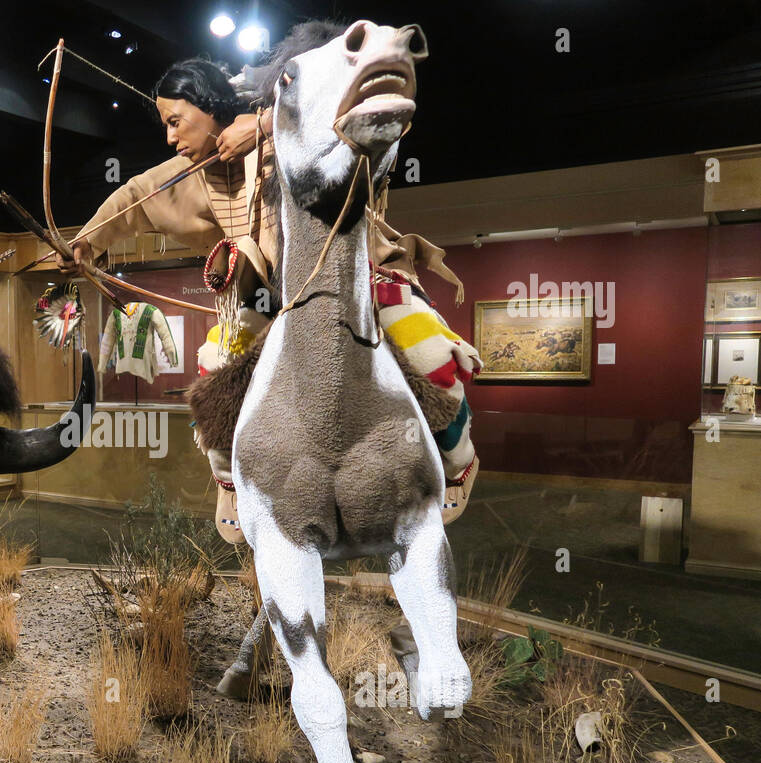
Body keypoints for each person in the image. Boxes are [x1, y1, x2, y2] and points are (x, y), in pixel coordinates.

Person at [63, 54, 480, 540]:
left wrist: (262, 126)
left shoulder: (288, 123)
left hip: (359, 275)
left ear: (207, 105)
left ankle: (459, 460)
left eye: (176, 121)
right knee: (216, 368)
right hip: (269, 297)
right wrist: (84, 244)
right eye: (167, 126)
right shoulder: (192, 170)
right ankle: (229, 480)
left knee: (428, 352)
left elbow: (356, 103)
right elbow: (135, 194)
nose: (170, 137)